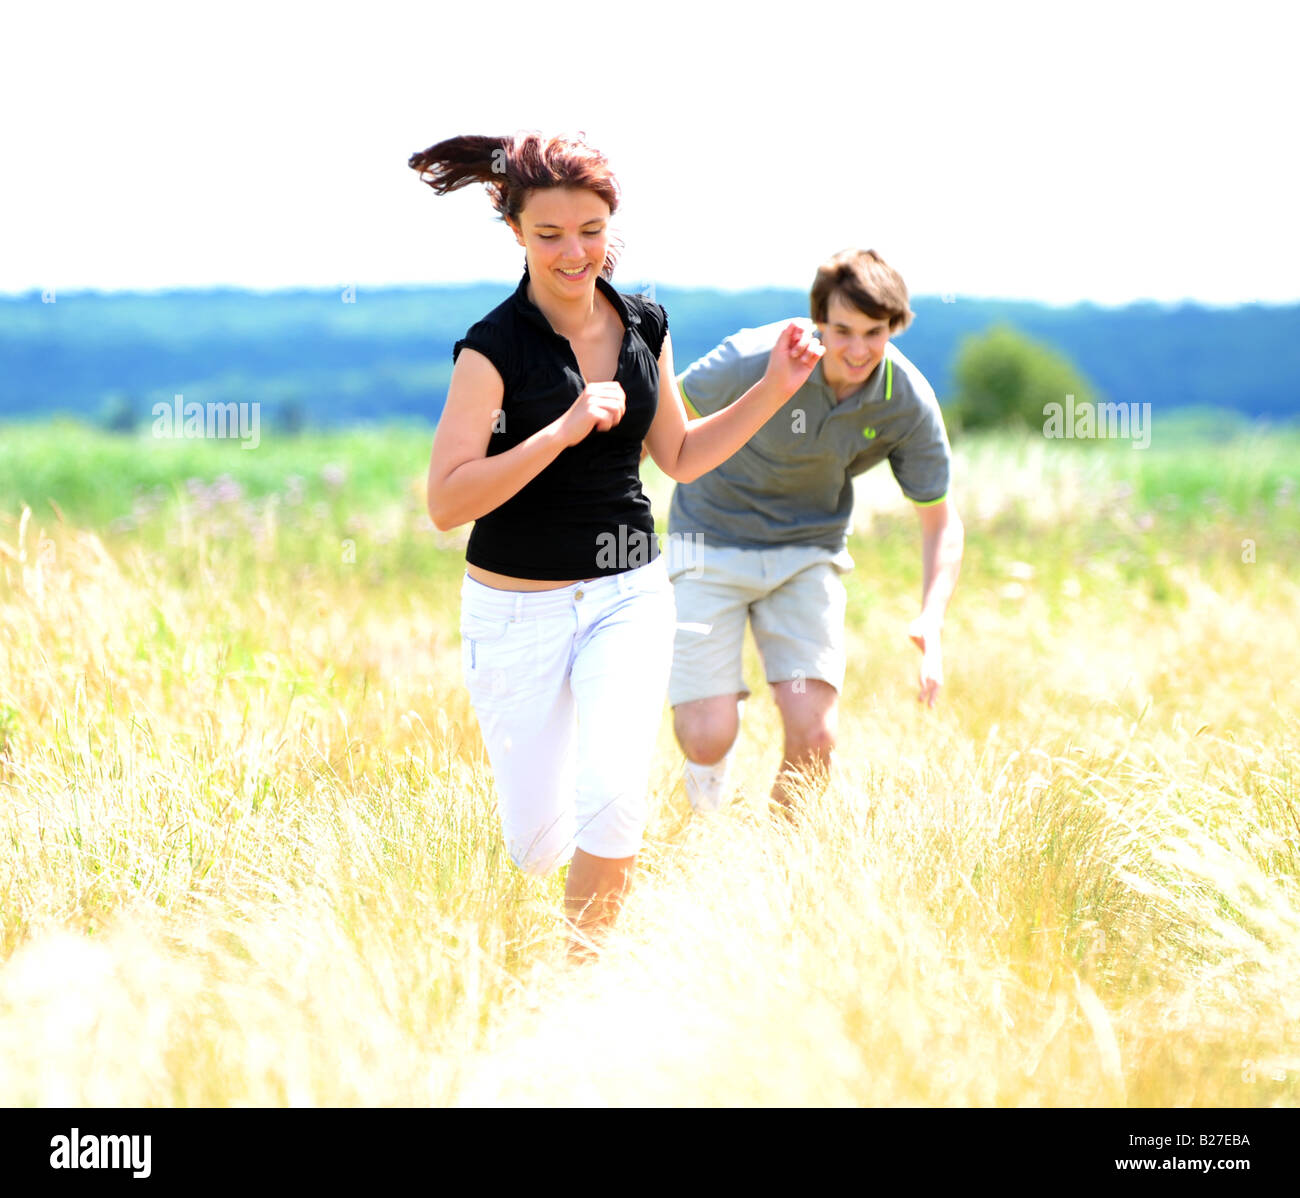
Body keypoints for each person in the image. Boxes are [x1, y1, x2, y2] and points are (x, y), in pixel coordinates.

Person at [410, 132, 824, 952]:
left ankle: (582, 982)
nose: (575, 252)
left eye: (591, 230)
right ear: (516, 234)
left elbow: (679, 454)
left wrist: (775, 390)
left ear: (611, 226)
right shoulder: (492, 350)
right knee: (537, 842)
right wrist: (557, 434)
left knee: (613, 792)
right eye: (551, 234)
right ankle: (550, 930)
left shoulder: (644, 323)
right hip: (514, 610)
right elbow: (447, 503)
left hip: (628, 591)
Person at [666, 248, 965, 814]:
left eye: (874, 333)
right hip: (708, 539)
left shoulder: (907, 400)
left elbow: (940, 519)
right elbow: (662, 422)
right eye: (842, 331)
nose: (857, 350)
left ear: (894, 327)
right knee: (707, 733)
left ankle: (780, 869)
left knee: (817, 736)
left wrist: (932, 617)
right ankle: (704, 833)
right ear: (817, 321)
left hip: (806, 554)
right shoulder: (753, 356)